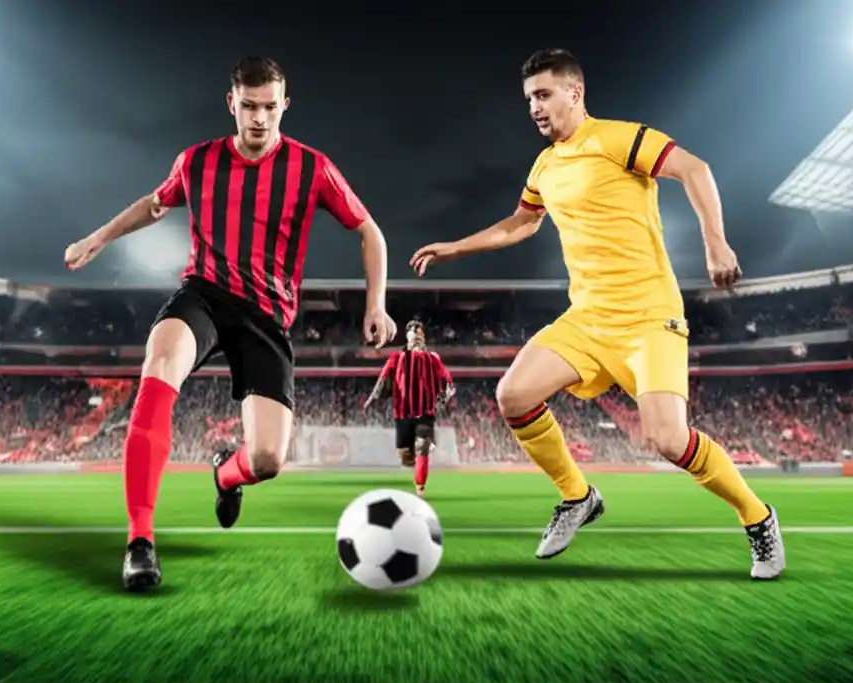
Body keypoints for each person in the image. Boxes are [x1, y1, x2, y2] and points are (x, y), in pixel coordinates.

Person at [409, 49, 785, 579]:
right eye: (528, 100)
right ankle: (577, 496)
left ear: (574, 92)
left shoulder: (618, 139)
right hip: (588, 317)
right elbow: (521, 223)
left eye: (543, 95)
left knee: (667, 439)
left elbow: (694, 168)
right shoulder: (545, 165)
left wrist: (715, 243)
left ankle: (758, 518)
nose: (535, 108)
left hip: (649, 314)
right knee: (513, 394)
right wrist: (454, 247)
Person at [66, 57, 397, 591]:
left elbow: (371, 232)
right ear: (232, 104)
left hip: (266, 316)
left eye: (270, 107)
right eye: (249, 106)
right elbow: (154, 207)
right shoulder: (196, 161)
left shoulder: (312, 168)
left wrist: (376, 304)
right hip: (205, 294)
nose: (260, 118)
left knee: (267, 459)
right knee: (158, 368)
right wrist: (96, 239)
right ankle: (140, 541)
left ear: (285, 105)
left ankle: (226, 473)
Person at [364, 320, 454, 497]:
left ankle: (420, 488)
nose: (416, 339)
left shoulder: (433, 359)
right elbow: (382, 380)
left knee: (422, 447)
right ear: (407, 338)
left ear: (423, 338)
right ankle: (412, 452)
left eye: (419, 335)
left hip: (426, 412)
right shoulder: (397, 358)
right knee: (406, 456)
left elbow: (449, 383)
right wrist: (372, 399)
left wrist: (441, 402)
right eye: (413, 335)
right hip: (403, 412)